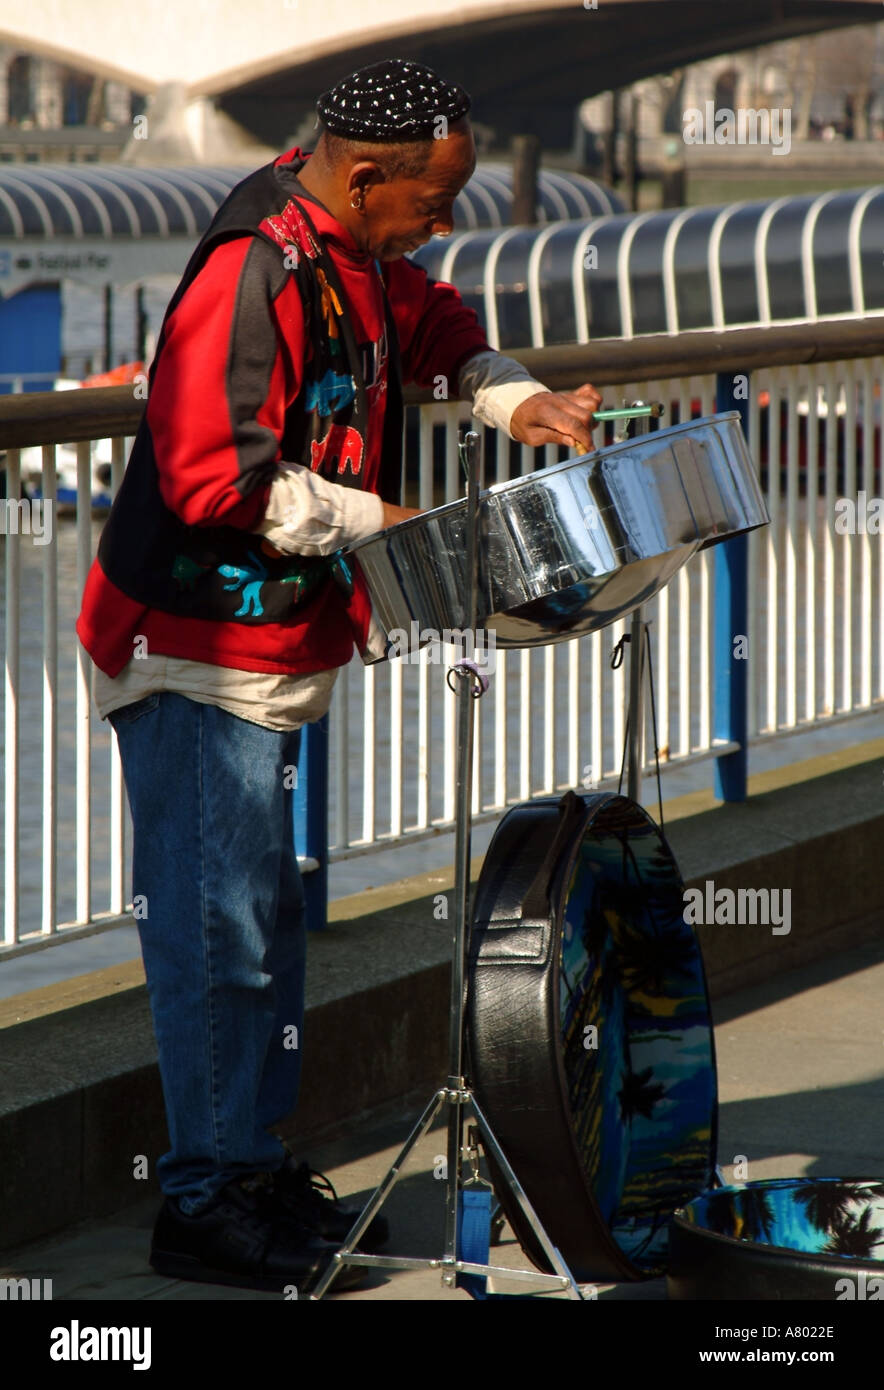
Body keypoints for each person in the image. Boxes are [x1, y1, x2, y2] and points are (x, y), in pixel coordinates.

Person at [75, 58, 601, 1295]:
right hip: (191, 646)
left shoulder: (352, 247)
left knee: (262, 932)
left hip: (269, 641)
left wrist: (509, 397)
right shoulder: (248, 266)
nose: (446, 220)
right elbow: (212, 477)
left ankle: (247, 1170)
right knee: (220, 938)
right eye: (435, 197)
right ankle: (202, 1201)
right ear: (365, 175)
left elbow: (426, 320)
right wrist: (383, 519)